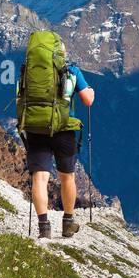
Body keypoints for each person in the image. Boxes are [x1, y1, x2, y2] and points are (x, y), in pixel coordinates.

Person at [27, 62, 94, 239]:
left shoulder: (30, 67)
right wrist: (91, 91)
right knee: (67, 176)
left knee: (39, 178)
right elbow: (87, 100)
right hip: (64, 130)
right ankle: (67, 223)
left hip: (37, 128)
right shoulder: (71, 70)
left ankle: (43, 227)